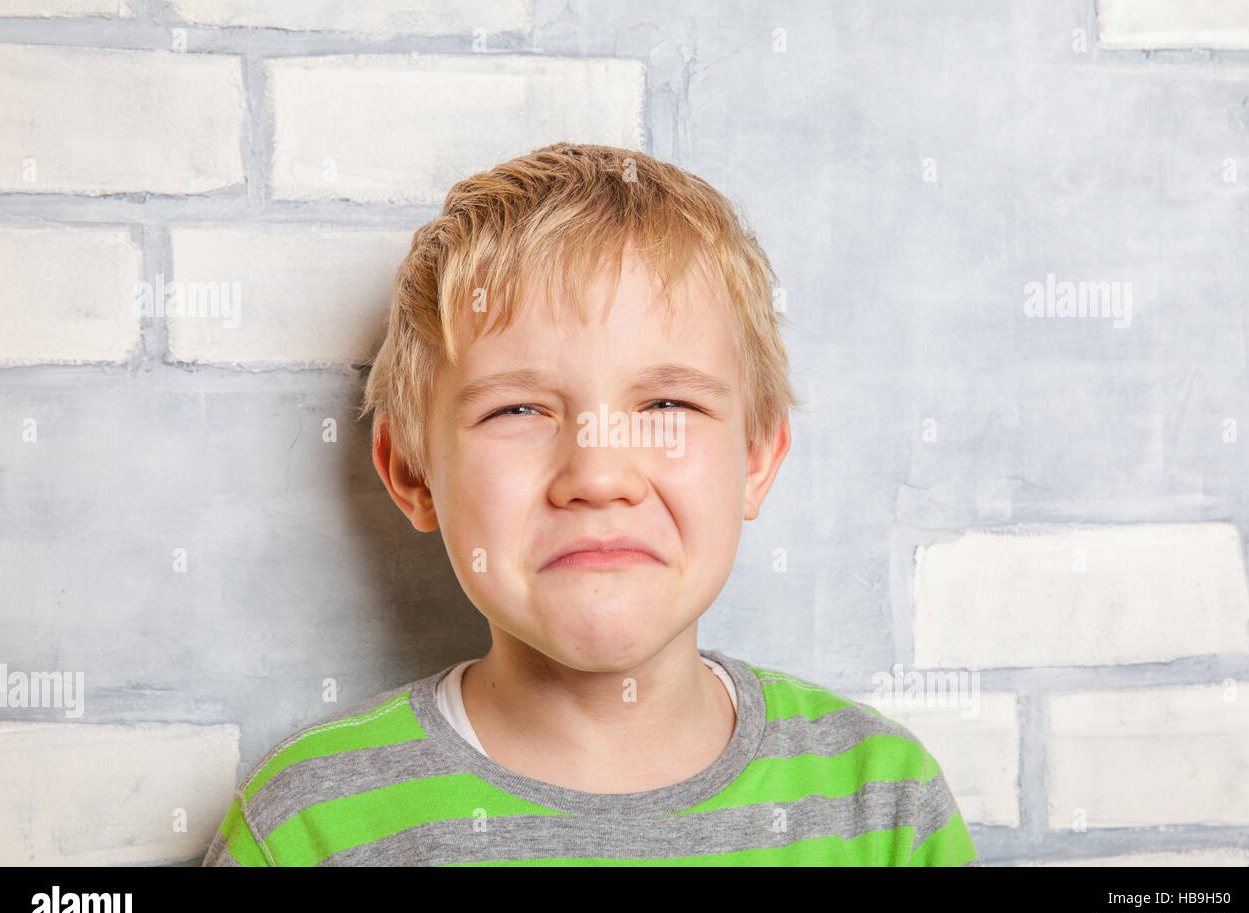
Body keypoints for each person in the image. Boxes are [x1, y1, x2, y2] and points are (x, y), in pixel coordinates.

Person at [202, 142, 977, 866]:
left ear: (755, 459)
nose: (599, 475)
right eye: (518, 411)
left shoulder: (884, 810)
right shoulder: (307, 828)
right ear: (413, 473)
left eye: (667, 404)